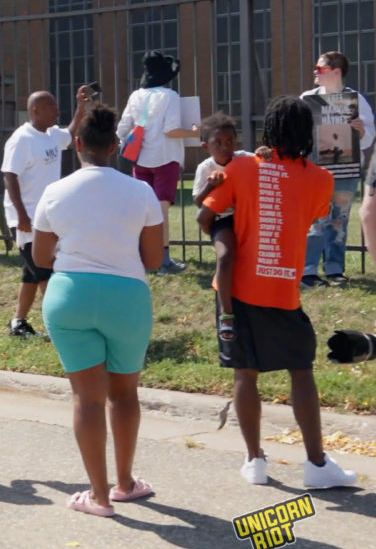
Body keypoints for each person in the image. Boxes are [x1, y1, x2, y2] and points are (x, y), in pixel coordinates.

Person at [198, 96, 358, 489]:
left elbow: (209, 215)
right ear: (307, 133)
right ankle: (317, 465)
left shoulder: (240, 166)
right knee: (301, 370)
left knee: (245, 372)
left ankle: (255, 460)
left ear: (268, 130)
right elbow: (314, 213)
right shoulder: (321, 179)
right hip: (283, 288)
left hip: (235, 290)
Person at [31, 105, 164, 517]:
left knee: (86, 400)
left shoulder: (55, 192)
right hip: (127, 297)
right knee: (124, 395)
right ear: (114, 146)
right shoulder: (140, 191)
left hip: (69, 294)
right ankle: (125, 483)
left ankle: (99, 496)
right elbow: (154, 258)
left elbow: (40, 257)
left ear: (77, 144)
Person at [2, 87, 91, 337]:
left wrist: (80, 109)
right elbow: (9, 176)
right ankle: (62, 328)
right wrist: (21, 216)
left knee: (31, 273)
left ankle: (18, 323)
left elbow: (70, 133)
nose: (57, 110)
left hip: (46, 217)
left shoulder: (51, 134)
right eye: (51, 107)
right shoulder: (22, 139)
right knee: (45, 273)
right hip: (27, 219)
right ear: (35, 111)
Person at [115, 51, 199, 275]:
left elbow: (122, 129)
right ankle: (164, 262)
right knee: (161, 211)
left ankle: (140, 257)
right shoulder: (169, 96)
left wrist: (133, 141)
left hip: (140, 159)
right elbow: (171, 130)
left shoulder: (135, 96)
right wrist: (193, 132)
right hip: (165, 158)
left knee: (142, 210)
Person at [300, 51, 375, 287]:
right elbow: (298, 133)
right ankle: (309, 271)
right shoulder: (307, 98)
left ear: (336, 72)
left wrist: (361, 130)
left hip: (346, 170)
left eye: (319, 68)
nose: (315, 72)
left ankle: (334, 270)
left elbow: (369, 137)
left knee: (338, 220)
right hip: (315, 172)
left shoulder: (356, 99)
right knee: (314, 220)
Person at [192, 113, 247, 342]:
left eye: (230, 142)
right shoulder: (206, 167)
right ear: (206, 146)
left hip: (246, 216)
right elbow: (197, 201)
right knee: (225, 257)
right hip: (222, 219)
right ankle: (226, 313)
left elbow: (262, 165)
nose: (226, 148)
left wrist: (264, 154)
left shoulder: (244, 158)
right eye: (218, 143)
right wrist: (210, 186)